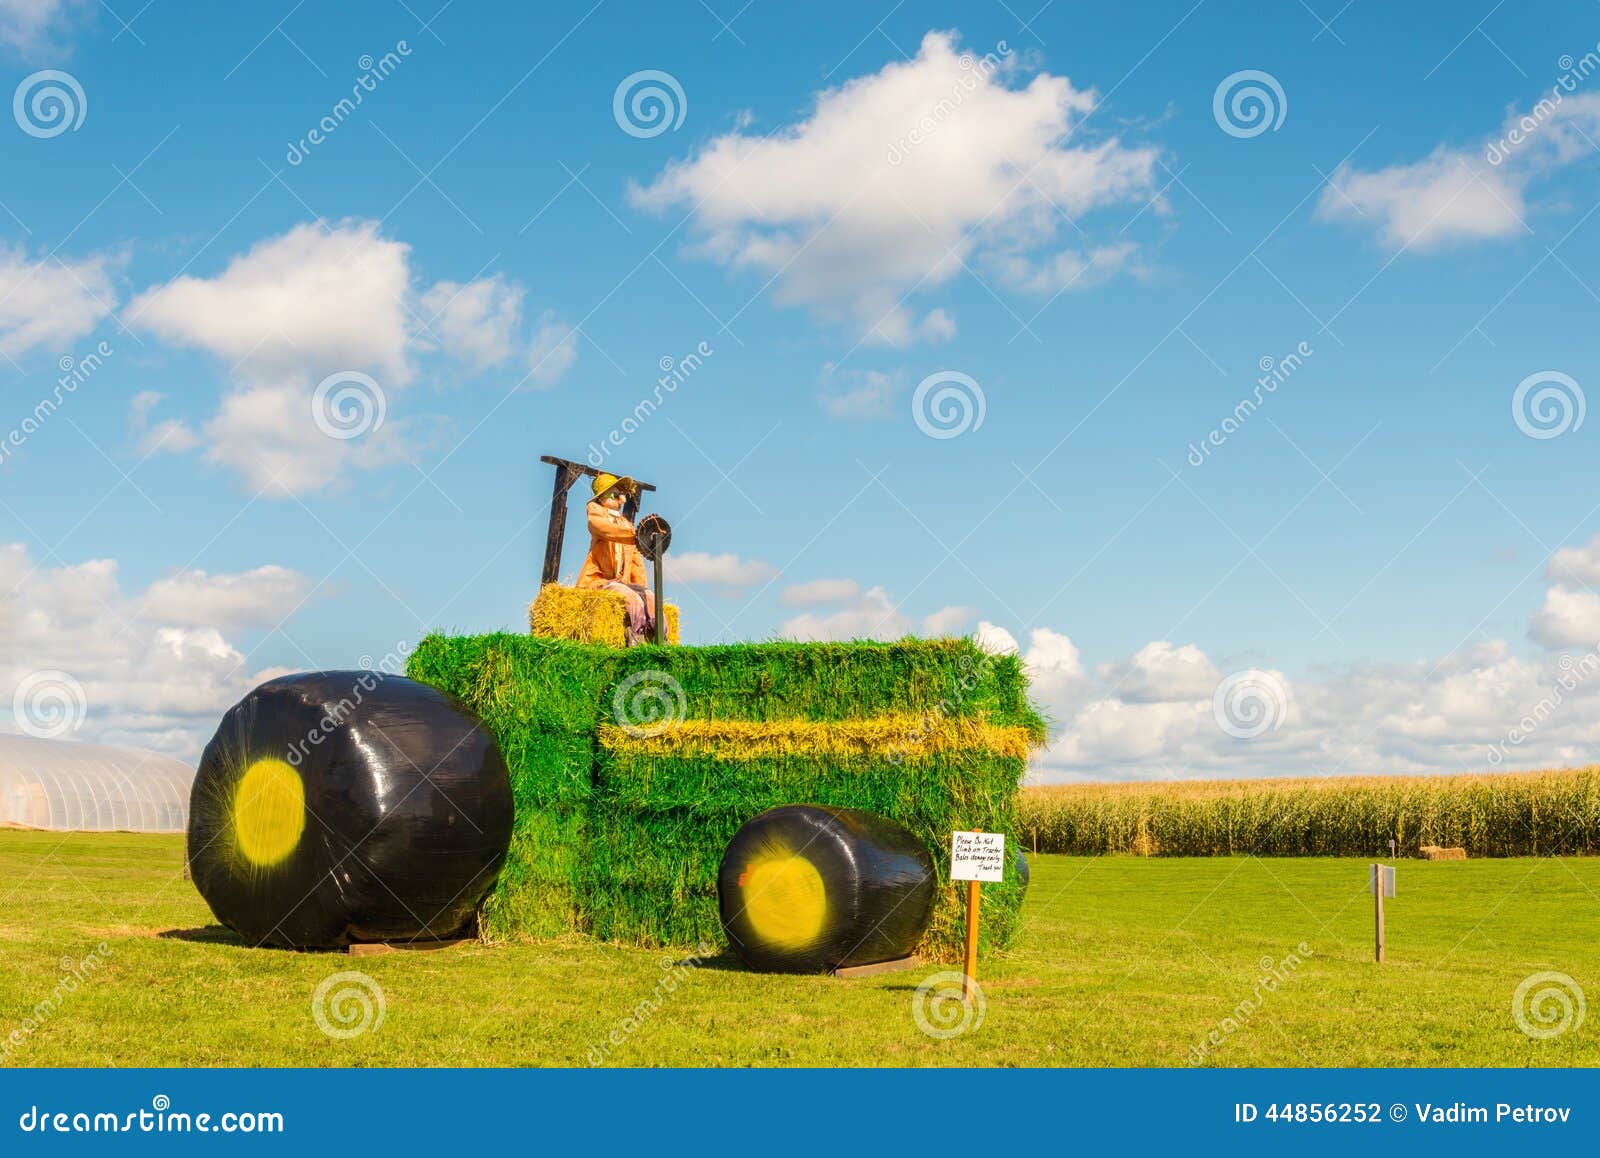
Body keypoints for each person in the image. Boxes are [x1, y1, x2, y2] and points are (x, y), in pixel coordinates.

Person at [575, 473, 656, 645]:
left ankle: (660, 636)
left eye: (622, 495)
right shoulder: (596, 515)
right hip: (600, 581)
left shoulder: (625, 524)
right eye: (615, 495)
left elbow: (635, 562)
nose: (622, 500)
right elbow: (605, 529)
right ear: (601, 498)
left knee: (649, 596)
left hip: (621, 581)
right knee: (631, 598)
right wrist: (636, 535)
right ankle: (635, 637)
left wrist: (638, 584)